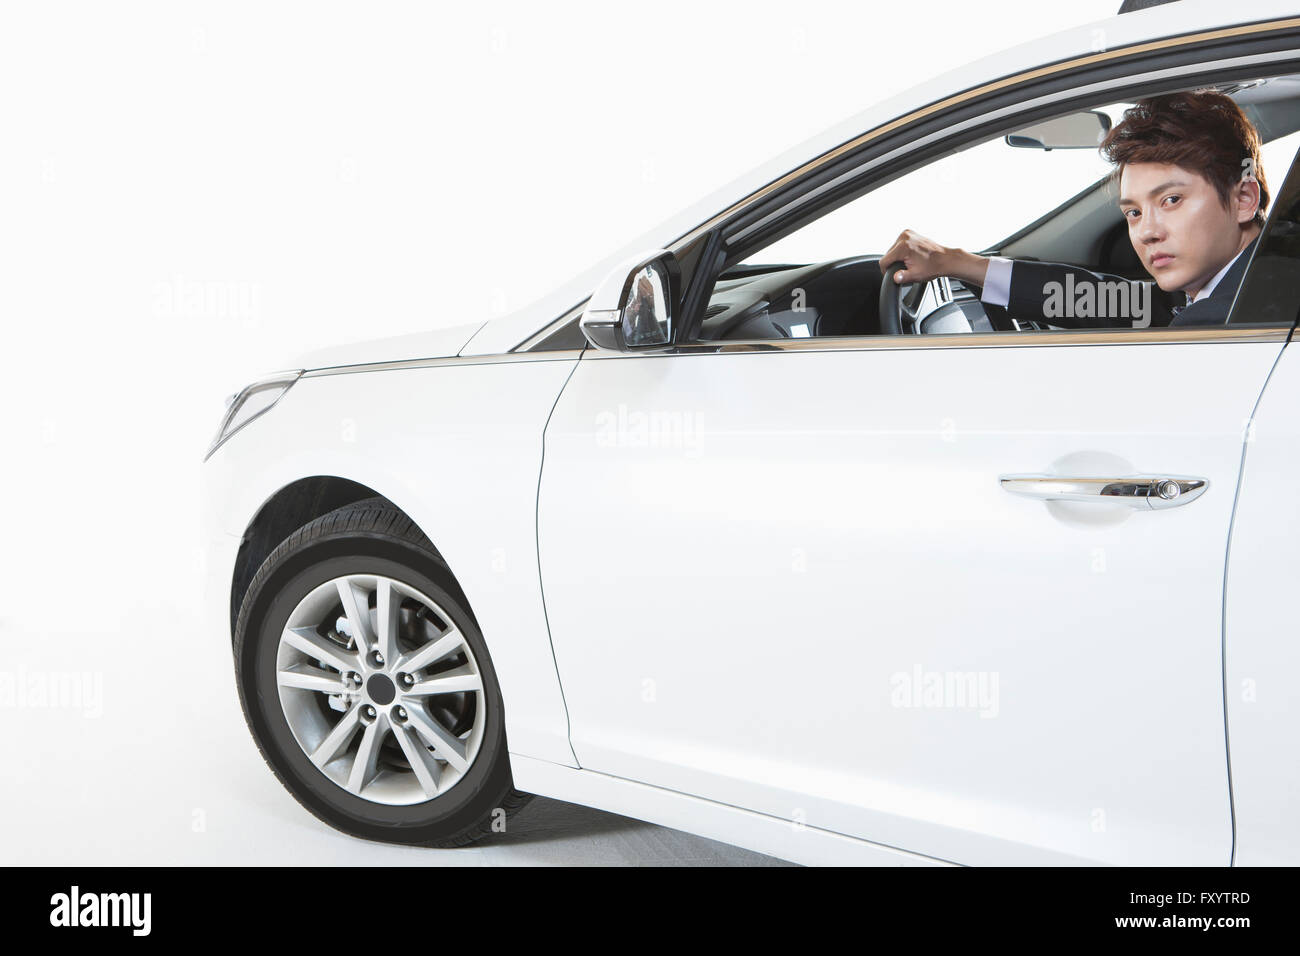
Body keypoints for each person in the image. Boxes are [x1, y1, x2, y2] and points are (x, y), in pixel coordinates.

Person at [880, 90, 1270, 329]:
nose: (1148, 231)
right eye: (1133, 212)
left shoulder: (1223, 321)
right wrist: (958, 262)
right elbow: (1104, 301)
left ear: (1243, 200)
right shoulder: (1244, 282)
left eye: (1171, 201)